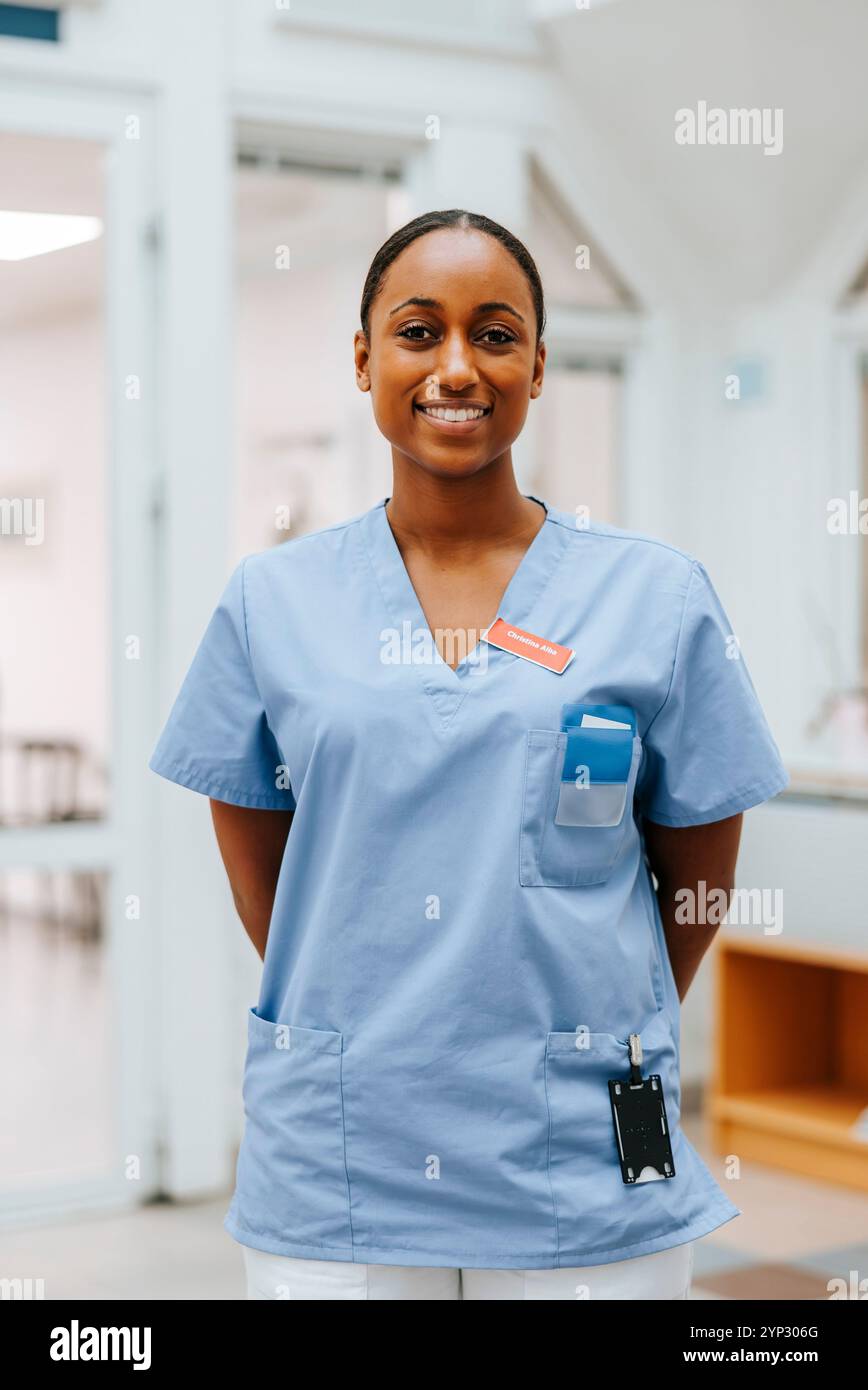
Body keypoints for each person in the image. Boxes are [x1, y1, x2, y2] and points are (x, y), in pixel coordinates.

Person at [149, 209, 789, 1301]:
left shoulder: (654, 596)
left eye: (495, 334)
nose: (458, 365)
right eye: (417, 330)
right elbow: (270, 869)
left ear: (539, 364)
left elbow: (696, 876)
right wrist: (366, 1000)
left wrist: (578, 1007)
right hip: (341, 1148)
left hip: (581, 1139)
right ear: (364, 359)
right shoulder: (274, 600)